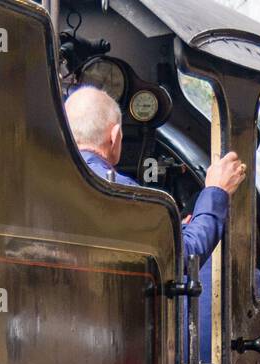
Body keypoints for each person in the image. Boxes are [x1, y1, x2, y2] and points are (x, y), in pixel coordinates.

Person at [64, 85, 245, 261]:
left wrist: (167, 231)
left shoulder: (51, 182)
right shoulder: (118, 193)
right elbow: (183, 256)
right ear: (115, 135)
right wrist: (216, 190)